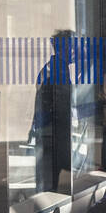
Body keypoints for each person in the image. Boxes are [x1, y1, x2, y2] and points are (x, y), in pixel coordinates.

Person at [31, 29, 75, 194]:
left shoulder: (55, 69)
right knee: (49, 184)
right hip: (53, 135)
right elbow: (60, 107)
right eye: (73, 47)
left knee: (50, 182)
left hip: (51, 134)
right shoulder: (57, 72)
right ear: (65, 49)